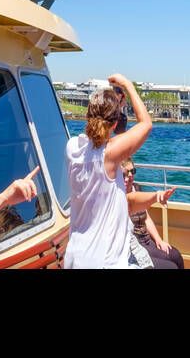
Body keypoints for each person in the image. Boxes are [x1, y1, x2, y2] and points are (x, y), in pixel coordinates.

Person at [64, 73, 154, 268]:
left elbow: (98, 138)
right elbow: (145, 124)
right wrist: (129, 86)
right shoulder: (110, 154)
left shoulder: (72, 148)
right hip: (103, 261)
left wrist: (113, 107)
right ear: (114, 124)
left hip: (74, 258)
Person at [121, 158, 184, 269]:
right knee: (171, 265)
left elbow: (146, 218)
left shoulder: (137, 188)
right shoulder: (118, 194)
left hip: (147, 239)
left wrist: (159, 240)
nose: (130, 175)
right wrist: (155, 196)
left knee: (176, 255)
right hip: (136, 243)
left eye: (132, 171)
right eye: (125, 173)